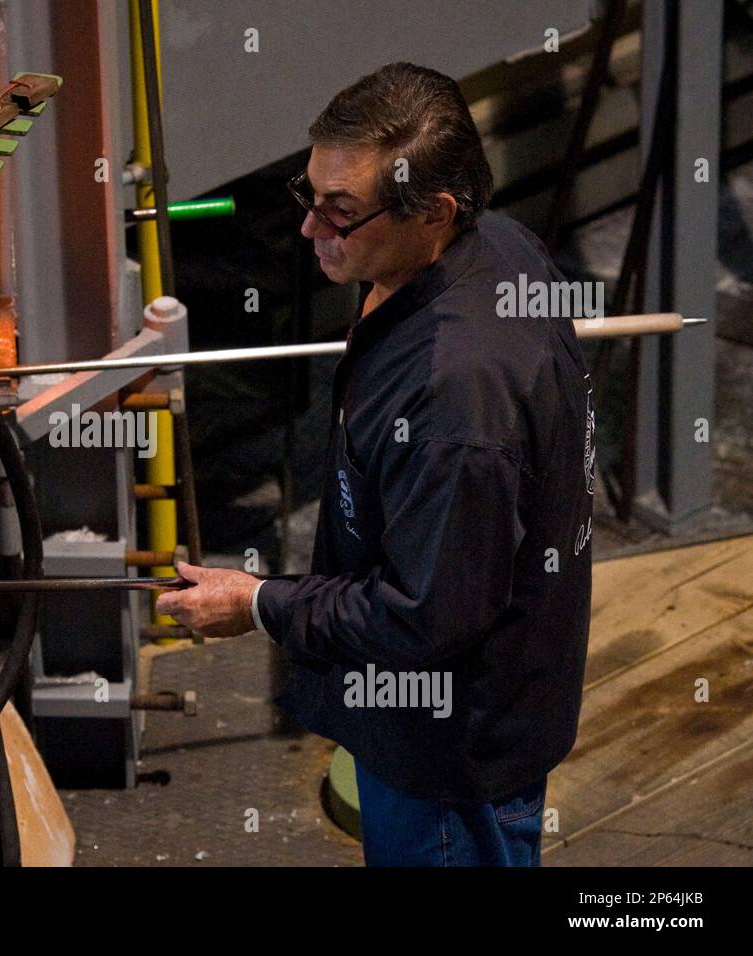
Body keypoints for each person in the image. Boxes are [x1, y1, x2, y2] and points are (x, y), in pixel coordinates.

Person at [155, 62, 595, 867]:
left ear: (435, 211)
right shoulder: (488, 246)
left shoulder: (459, 400)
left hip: (449, 758)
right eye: (309, 195)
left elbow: (426, 618)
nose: (309, 231)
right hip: (426, 718)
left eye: (341, 214)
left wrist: (259, 604)